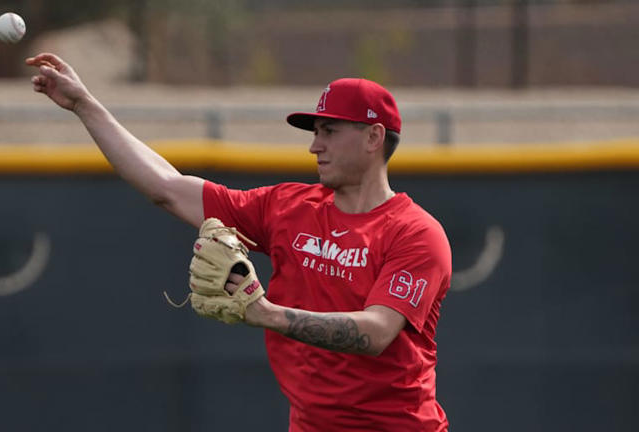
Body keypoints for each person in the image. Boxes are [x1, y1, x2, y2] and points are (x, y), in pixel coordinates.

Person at [26, 53, 451, 432]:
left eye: (329, 131)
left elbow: (377, 333)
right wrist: (84, 105)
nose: (313, 145)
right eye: (315, 132)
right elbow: (168, 188)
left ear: (374, 138)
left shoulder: (415, 232)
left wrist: (265, 314)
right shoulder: (289, 207)